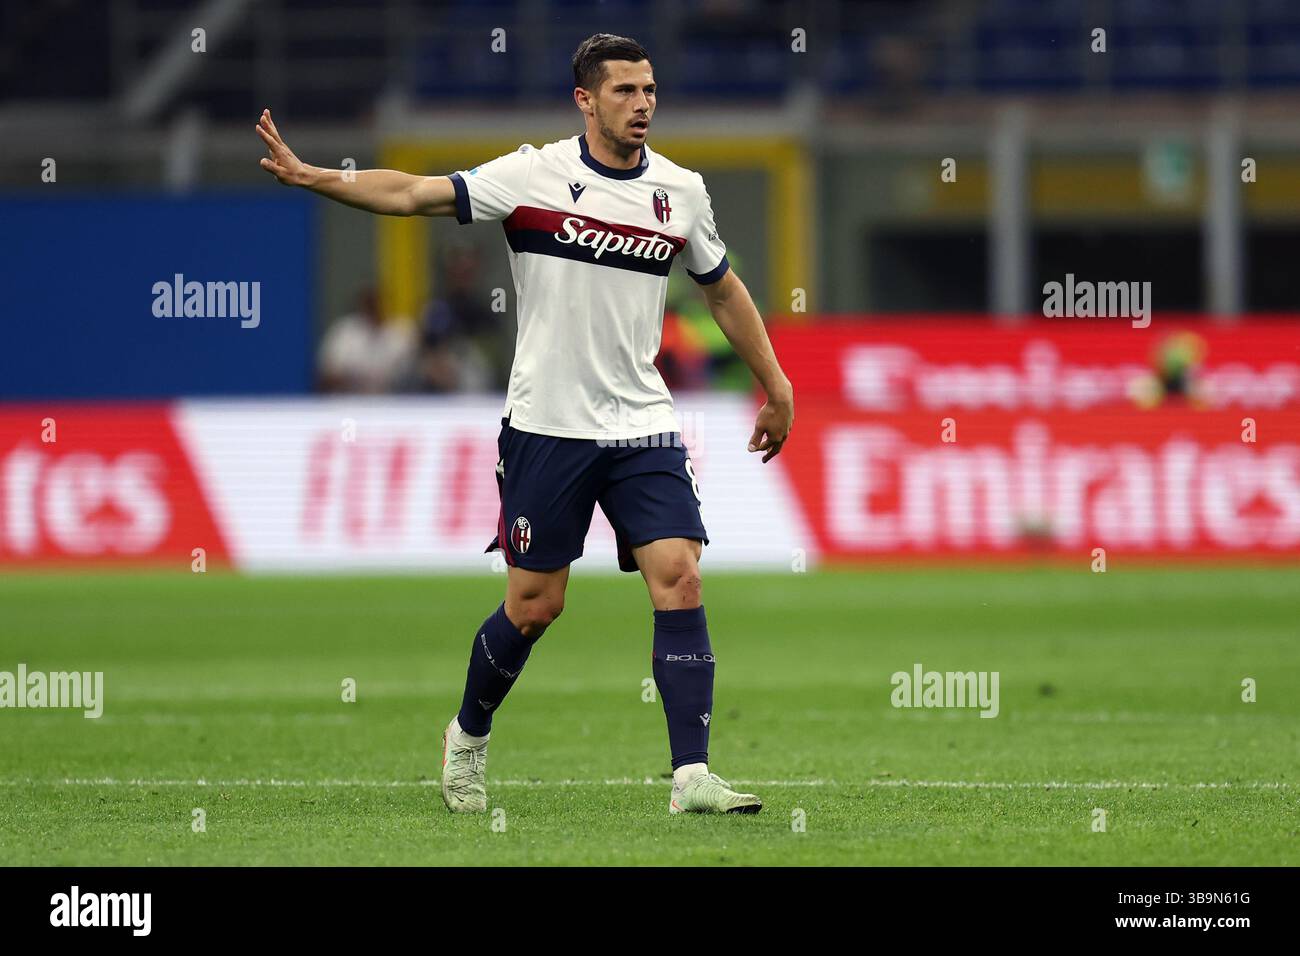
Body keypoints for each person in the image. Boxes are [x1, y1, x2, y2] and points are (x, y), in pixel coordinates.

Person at [256, 33, 794, 815]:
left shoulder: (681, 192)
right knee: (536, 605)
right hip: (547, 426)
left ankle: (691, 776)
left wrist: (774, 383)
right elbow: (412, 193)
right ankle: (468, 734)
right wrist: (314, 175)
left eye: (649, 91)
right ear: (585, 100)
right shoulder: (532, 175)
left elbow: (721, 289)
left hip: (642, 423)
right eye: (623, 92)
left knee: (679, 575)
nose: (641, 104)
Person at [317, 288, 415, 393]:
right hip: (349, 403)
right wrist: (352, 377)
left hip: (392, 403)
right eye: (369, 305)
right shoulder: (344, 332)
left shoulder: (402, 331)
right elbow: (326, 377)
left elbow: (413, 377)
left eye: (378, 303)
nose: (374, 308)